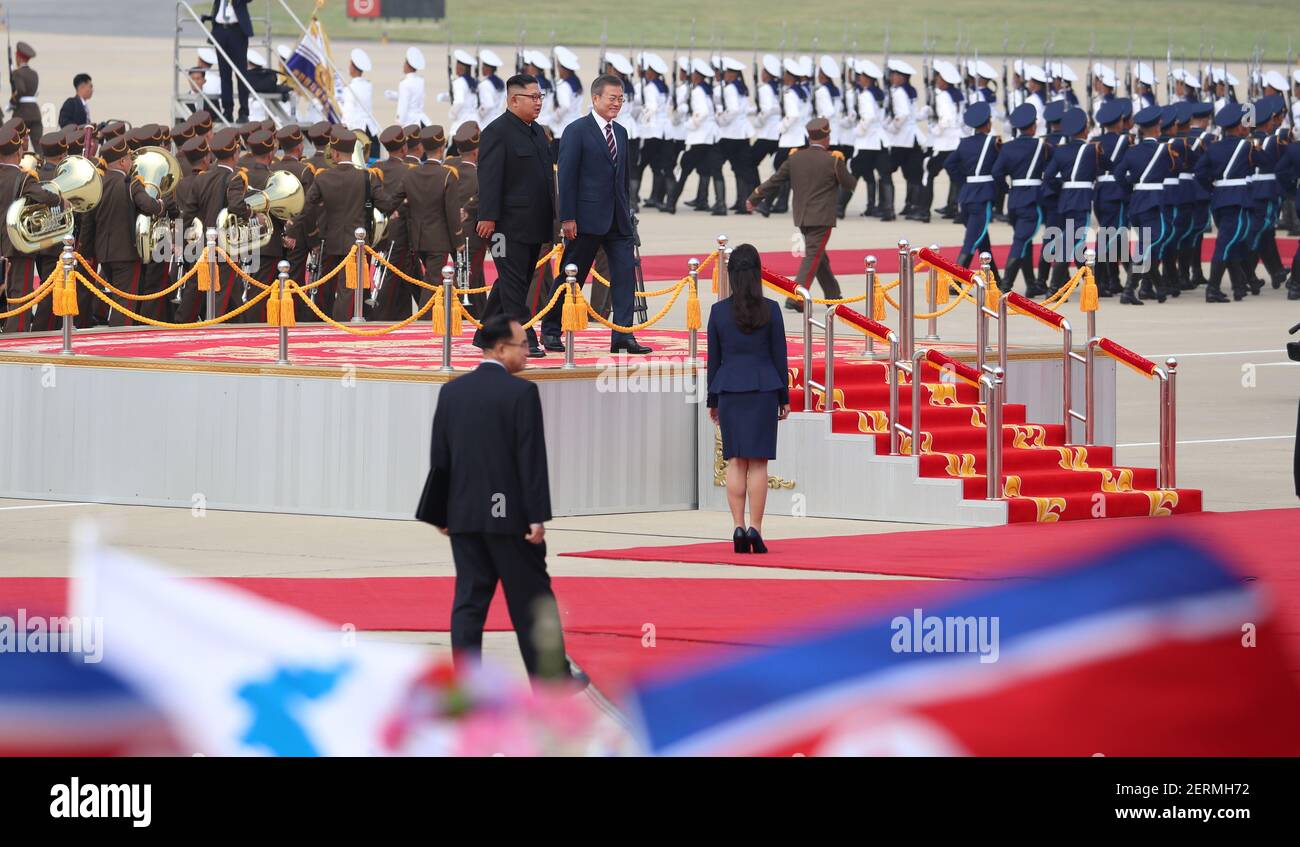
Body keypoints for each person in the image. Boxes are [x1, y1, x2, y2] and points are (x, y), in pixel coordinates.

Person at [416, 314, 573, 685]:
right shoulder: (521, 393)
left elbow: (441, 457)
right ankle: (550, 681)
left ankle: (466, 686)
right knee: (532, 602)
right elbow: (530, 458)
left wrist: (441, 510)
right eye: (522, 345)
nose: (527, 353)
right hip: (512, 519)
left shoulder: (452, 391)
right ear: (501, 349)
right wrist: (536, 516)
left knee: (469, 602)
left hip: (464, 515)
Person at [543, 73, 653, 355]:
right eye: (612, 98)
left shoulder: (621, 132)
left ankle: (623, 335)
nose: (617, 103)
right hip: (585, 220)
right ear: (595, 99)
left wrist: (628, 214)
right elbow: (566, 177)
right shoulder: (576, 130)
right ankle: (552, 329)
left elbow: (623, 179)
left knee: (625, 276)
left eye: (621, 99)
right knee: (572, 276)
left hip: (618, 220)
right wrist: (567, 217)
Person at [706, 244, 789, 555]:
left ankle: (737, 526)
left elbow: (713, 360)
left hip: (729, 390)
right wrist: (784, 396)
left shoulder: (717, 312)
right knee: (759, 463)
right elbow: (779, 357)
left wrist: (712, 399)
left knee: (736, 461)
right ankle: (756, 527)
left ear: (730, 275)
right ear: (758, 273)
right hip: (764, 389)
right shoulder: (772, 309)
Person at [474, 74, 557, 357]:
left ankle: (484, 332)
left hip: (534, 223)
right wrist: (487, 217)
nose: (538, 103)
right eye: (532, 98)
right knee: (512, 280)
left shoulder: (535, 131)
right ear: (513, 100)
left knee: (516, 279)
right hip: (503, 227)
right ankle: (524, 336)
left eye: (540, 97)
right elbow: (489, 178)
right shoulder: (497, 132)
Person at [746, 117, 856, 312]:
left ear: (809, 136)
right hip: (822, 218)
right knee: (813, 256)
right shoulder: (833, 160)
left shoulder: (795, 158)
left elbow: (775, 180)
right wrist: (842, 164)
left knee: (818, 256)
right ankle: (796, 296)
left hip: (802, 217)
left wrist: (755, 197)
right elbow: (850, 184)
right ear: (826, 137)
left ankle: (833, 295)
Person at [0, 127, 61, 333]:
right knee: (20, 297)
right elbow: (44, 197)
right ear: (18, 152)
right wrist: (61, 198)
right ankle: (15, 342)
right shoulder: (23, 178)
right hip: (17, 247)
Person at [204, 0, 252, 122]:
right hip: (220, 31)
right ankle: (227, 111)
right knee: (224, 74)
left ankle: (243, 112)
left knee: (241, 74)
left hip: (236, 31)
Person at [9, 42, 42, 148]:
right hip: (35, 113)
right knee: (38, 146)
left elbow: (21, 90)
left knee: (15, 143)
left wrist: (13, 101)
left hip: (22, 113)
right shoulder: (34, 74)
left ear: (18, 57)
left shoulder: (17, 73)